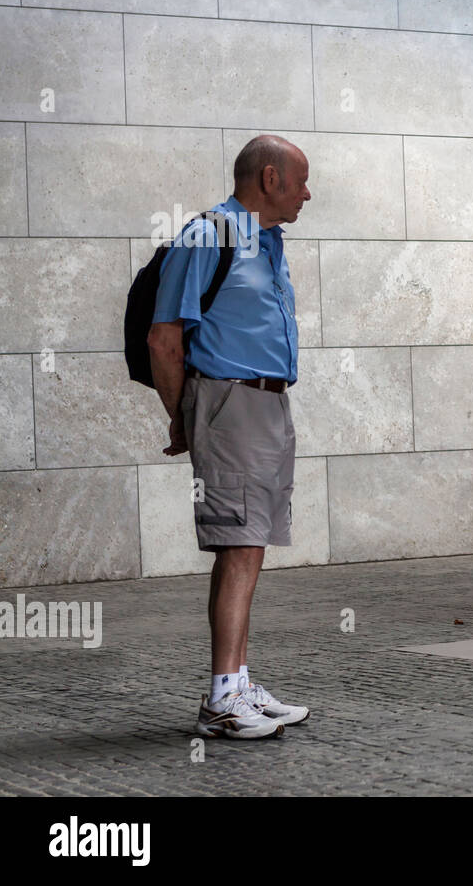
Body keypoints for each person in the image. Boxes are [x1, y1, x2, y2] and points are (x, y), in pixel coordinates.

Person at [147, 134, 312, 739]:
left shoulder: (266, 242)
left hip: (268, 404)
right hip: (229, 401)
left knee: (249, 543)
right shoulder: (207, 236)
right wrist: (184, 416)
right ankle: (221, 699)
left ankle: (236, 682)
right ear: (269, 178)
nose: (306, 192)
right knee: (240, 544)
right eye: (300, 180)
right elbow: (164, 339)